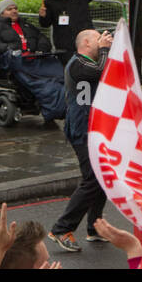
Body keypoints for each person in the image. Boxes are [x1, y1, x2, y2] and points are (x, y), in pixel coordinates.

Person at [48, 28, 113, 252]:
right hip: (82, 130)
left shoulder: (89, 63)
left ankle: (94, 227)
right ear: (86, 43)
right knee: (92, 179)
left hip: (95, 129)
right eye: (98, 38)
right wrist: (105, 50)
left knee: (102, 177)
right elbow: (100, 70)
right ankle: (61, 229)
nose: (103, 41)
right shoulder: (77, 63)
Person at [0, 0, 66, 121]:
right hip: (17, 62)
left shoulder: (27, 25)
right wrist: (10, 49)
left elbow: (42, 38)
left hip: (35, 58)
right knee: (47, 86)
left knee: (61, 75)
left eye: (15, 8)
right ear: (1, 13)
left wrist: (41, 49)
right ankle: (55, 109)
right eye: (9, 9)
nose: (14, 11)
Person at [39, 0, 126, 63]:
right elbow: (45, 24)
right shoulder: (50, 1)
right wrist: (43, 16)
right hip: (65, 46)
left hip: (86, 43)